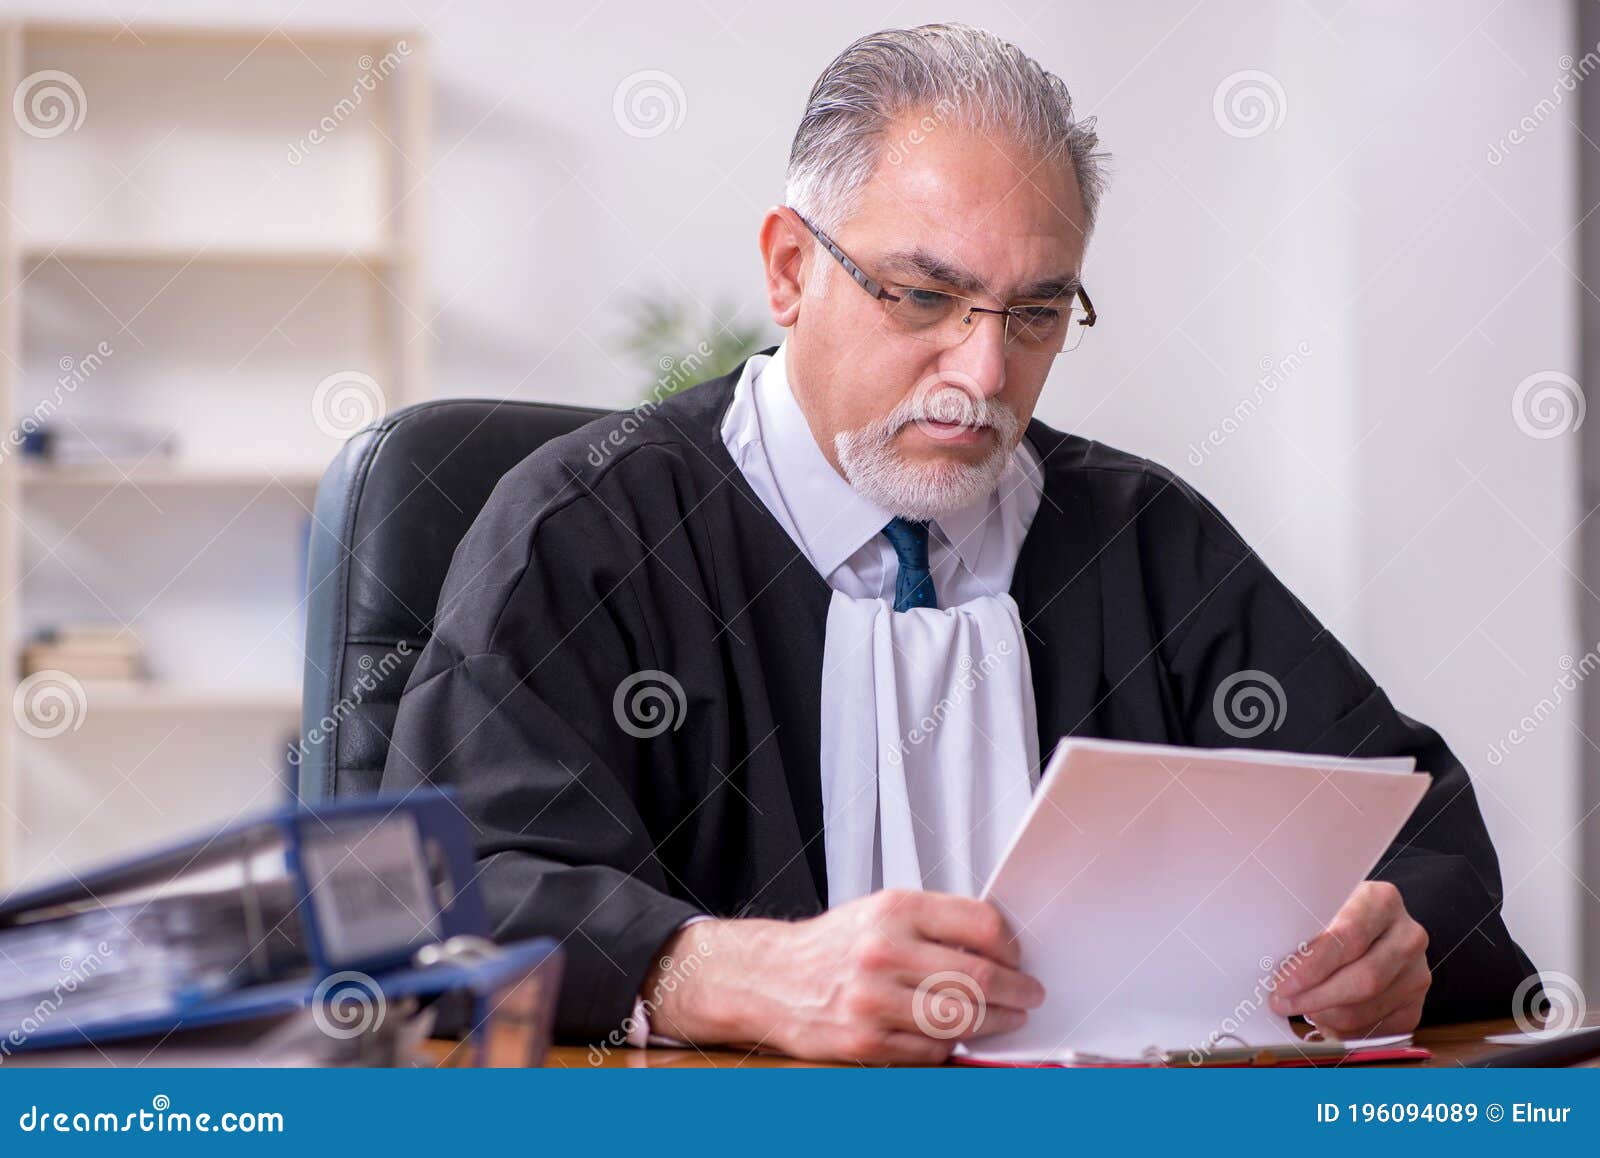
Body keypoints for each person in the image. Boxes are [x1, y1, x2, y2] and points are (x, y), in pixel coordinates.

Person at [381, 23, 1534, 1063]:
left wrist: (1392, 941)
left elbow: (1413, 829)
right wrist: (707, 972)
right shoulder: (587, 534)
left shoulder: (1142, 541)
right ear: (789, 269)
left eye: (1035, 313)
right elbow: (434, 896)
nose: (982, 374)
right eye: (923, 297)